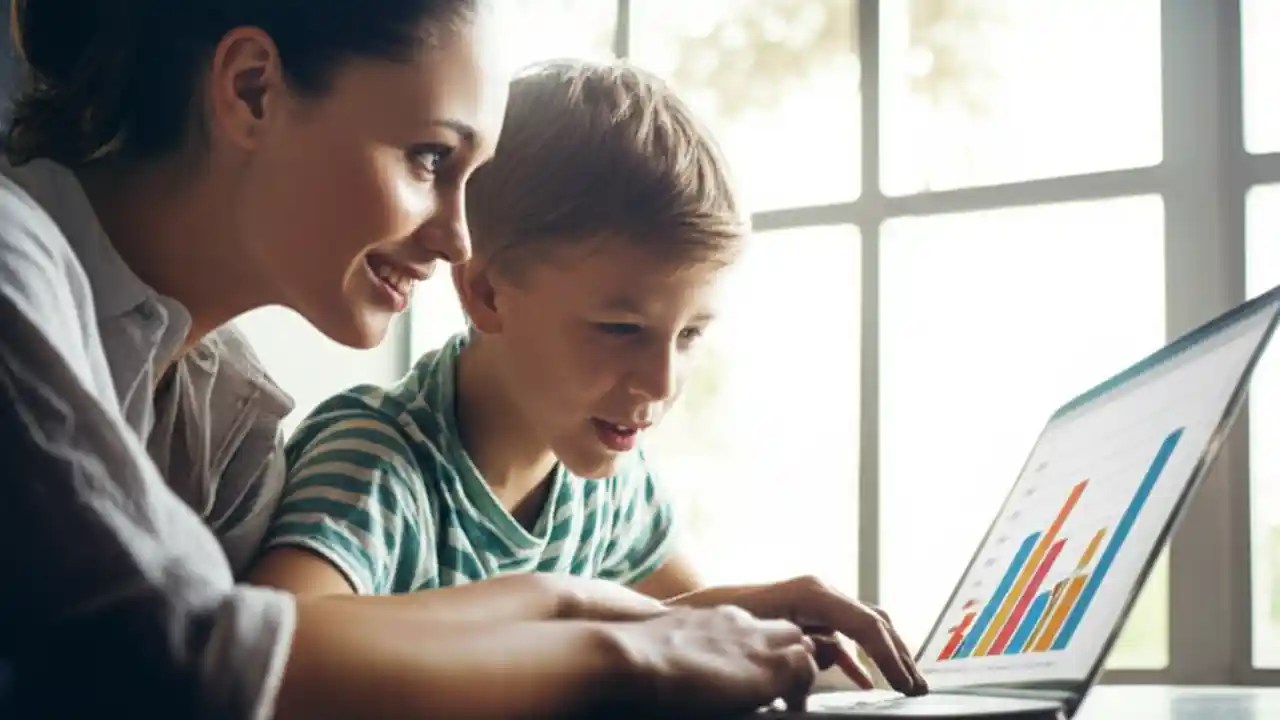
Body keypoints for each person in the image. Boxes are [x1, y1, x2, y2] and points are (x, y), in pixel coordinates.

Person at [0, 1, 827, 717]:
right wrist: (613, 642)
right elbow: (192, 662)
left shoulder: (227, 423)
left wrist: (716, 629)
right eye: (431, 158)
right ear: (252, 89)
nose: (460, 239)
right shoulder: (11, 260)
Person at [249, 60, 928, 697]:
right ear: (486, 293)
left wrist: (771, 610)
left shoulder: (609, 483)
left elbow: (681, 629)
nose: (661, 383)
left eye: (689, 335)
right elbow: (270, 651)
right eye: (621, 329)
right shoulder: (377, 462)